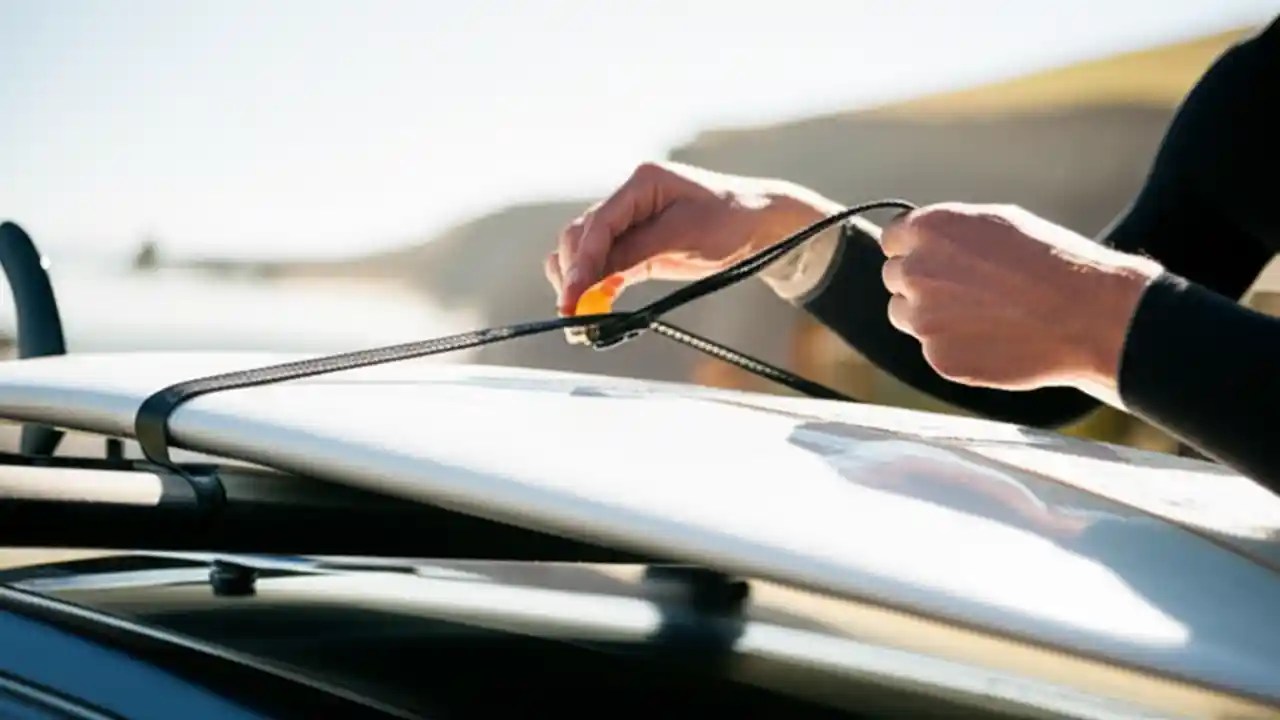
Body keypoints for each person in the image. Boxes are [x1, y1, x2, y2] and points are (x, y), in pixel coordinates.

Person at [543, 17, 1279, 492]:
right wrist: (779, 234)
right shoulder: (1256, 96)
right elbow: (1073, 378)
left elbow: (1117, 338)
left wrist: (1104, 316)